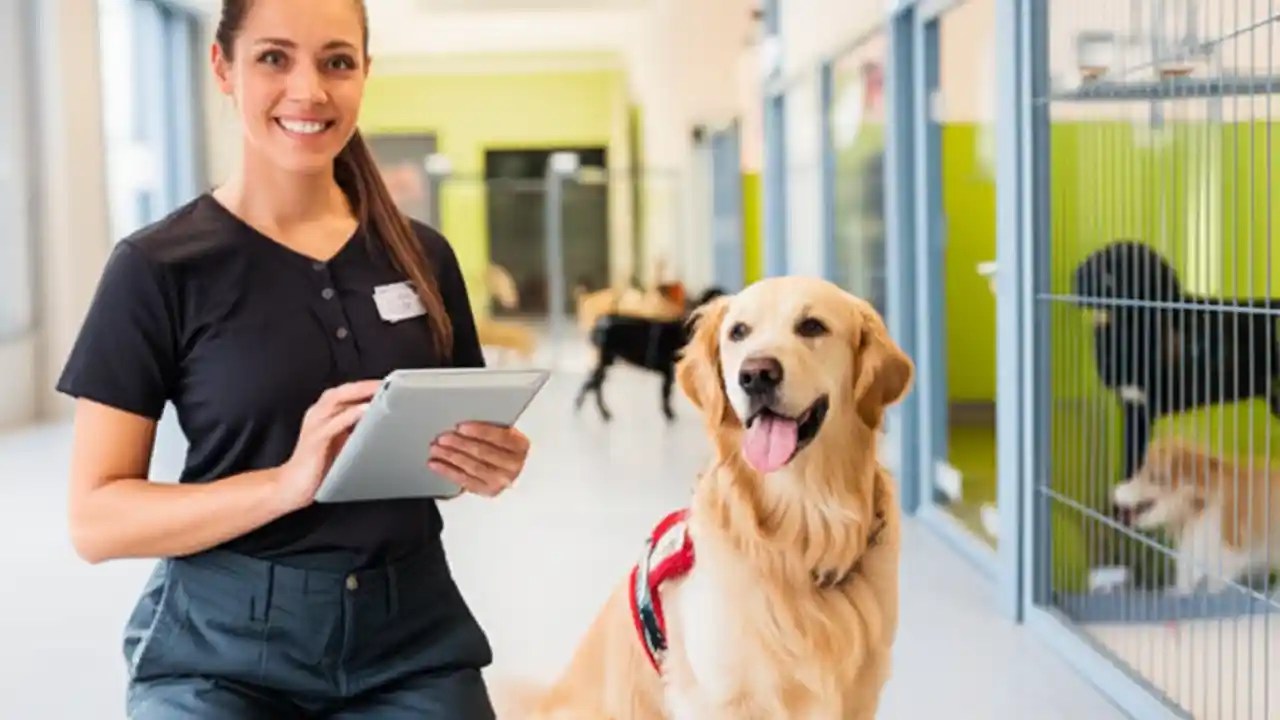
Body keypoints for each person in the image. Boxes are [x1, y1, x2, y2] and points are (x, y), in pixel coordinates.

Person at [56, 0, 527, 716]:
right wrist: (284, 483)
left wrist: (484, 461)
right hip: (219, 653)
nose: (309, 90)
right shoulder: (157, 268)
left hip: (411, 644)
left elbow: (441, 458)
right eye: (274, 58)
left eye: (336, 61)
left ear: (365, 72)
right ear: (224, 67)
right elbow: (96, 521)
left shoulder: (422, 255)